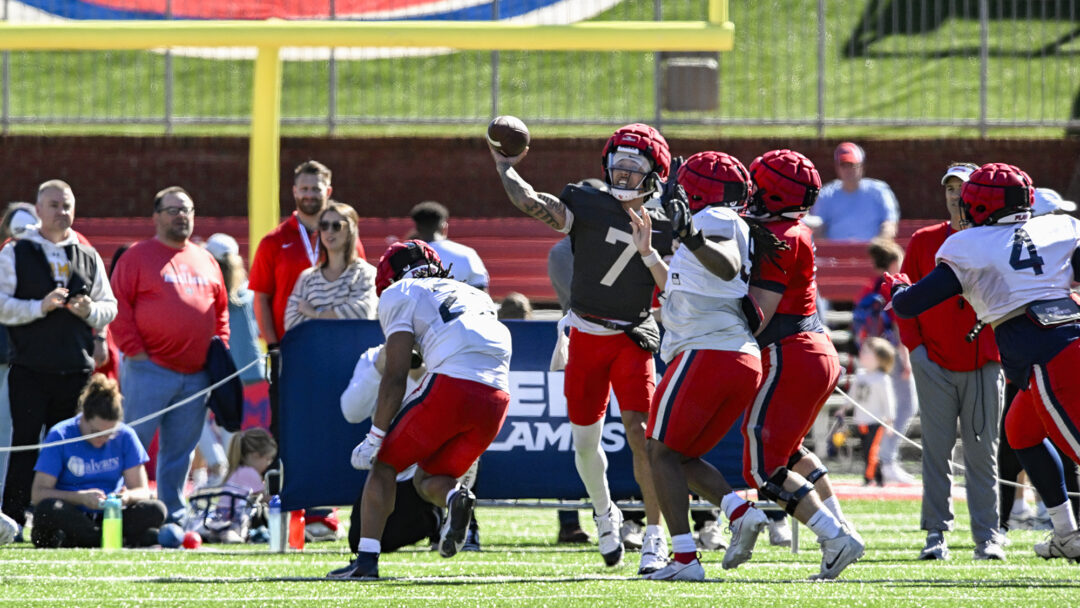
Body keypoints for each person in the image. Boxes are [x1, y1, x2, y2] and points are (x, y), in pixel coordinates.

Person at [490, 123, 672, 572]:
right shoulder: (587, 203)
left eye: (634, 166)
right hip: (586, 337)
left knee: (641, 434)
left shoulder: (670, 222)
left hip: (632, 336)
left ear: (655, 173)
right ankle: (604, 512)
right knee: (585, 443)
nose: (623, 173)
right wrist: (505, 167)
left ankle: (654, 535)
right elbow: (531, 201)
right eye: (618, 164)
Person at [885, 162, 1080, 561]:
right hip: (1063, 340)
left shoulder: (967, 244)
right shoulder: (1058, 227)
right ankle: (1067, 533)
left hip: (1047, 354)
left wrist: (900, 288)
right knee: (1021, 432)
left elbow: (910, 305)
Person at [625, 150, 773, 581]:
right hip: (730, 355)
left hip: (708, 352)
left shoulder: (716, 221)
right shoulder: (711, 225)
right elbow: (688, 286)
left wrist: (690, 236)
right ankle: (738, 510)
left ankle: (685, 559)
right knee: (678, 455)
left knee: (657, 452)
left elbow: (726, 267)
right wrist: (651, 255)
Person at [327, 240, 512, 579]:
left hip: (454, 386)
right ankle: (456, 496)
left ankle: (366, 562)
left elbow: (396, 375)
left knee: (384, 464)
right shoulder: (475, 293)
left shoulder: (401, 292)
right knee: (429, 479)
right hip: (497, 397)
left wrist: (375, 436)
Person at [736, 148, 865, 580]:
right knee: (790, 453)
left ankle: (833, 536)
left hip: (789, 351)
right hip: (812, 348)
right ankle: (842, 529)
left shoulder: (783, 236)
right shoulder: (791, 227)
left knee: (759, 467)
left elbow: (761, 312)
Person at [892, 162, 1006, 560]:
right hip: (933, 361)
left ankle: (988, 536)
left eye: (964, 189)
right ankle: (935, 534)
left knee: (982, 453)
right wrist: (916, 351)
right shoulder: (924, 240)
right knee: (935, 452)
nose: (956, 197)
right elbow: (902, 298)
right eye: (950, 189)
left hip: (984, 361)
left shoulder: (995, 240)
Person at [0, 181, 117, 531]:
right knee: (24, 445)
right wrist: (40, 306)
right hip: (30, 367)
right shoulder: (15, 250)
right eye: (53, 205)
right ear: (38, 209)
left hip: (75, 368)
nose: (61, 212)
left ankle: (61, 522)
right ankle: (14, 519)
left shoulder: (87, 252)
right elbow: (2, 306)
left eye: (67, 205)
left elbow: (109, 306)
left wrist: (90, 312)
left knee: (69, 451)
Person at [109, 186, 230, 521]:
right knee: (131, 444)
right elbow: (119, 305)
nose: (181, 216)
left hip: (196, 374)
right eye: (173, 210)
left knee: (180, 452)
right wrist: (136, 352)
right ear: (156, 216)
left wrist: (219, 349)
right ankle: (115, 511)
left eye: (187, 210)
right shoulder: (136, 256)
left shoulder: (205, 258)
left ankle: (171, 514)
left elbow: (220, 311)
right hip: (149, 369)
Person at [249, 161, 365, 443]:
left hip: (341, 350)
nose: (309, 194)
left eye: (315, 188)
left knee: (341, 421)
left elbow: (361, 297)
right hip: (291, 350)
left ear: (329, 190)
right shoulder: (273, 241)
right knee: (290, 423)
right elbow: (261, 297)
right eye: (304, 189)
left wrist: (317, 313)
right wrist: (273, 345)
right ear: (294, 191)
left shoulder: (346, 237)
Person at [338, 342, 475, 555]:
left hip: (430, 466)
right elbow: (351, 412)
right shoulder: (374, 356)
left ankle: (463, 514)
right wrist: (377, 371)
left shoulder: (443, 356)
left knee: (469, 451)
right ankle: (437, 520)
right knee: (359, 539)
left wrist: (422, 373)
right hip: (393, 470)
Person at [29, 374, 166, 548]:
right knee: (47, 510)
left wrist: (126, 497)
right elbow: (38, 494)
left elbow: (142, 490)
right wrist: (80, 498)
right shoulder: (61, 434)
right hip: (73, 512)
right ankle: (115, 539)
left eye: (110, 434)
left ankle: (93, 538)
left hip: (111, 515)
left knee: (156, 510)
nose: (103, 439)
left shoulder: (126, 435)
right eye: (96, 432)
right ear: (83, 417)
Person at [853, 238, 918, 484]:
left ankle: (881, 460)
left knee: (883, 410)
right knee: (905, 406)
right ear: (893, 262)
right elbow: (899, 323)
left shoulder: (868, 288)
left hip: (871, 354)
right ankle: (887, 459)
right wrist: (906, 357)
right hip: (892, 355)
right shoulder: (890, 286)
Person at [0, 202, 39, 543]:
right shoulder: (7, 260)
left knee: (19, 442)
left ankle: (16, 511)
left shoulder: (46, 260)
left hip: (27, 364)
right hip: (9, 361)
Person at [284, 201, 377, 331]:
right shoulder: (307, 277)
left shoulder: (366, 273)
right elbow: (292, 322)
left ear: (351, 230)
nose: (329, 231)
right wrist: (340, 315)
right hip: (315, 349)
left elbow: (362, 314)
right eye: (324, 225)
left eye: (336, 226)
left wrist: (315, 313)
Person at [192, 428, 276, 544]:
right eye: (267, 459)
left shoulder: (237, 470)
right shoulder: (250, 473)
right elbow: (265, 498)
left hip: (221, 516)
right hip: (233, 518)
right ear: (255, 456)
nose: (268, 464)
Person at [806, 142, 899, 242]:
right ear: (837, 168)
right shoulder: (826, 195)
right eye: (843, 165)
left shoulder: (880, 191)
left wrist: (877, 249)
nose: (848, 170)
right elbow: (818, 230)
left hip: (872, 254)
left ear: (862, 166)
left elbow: (889, 225)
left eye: (852, 165)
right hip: (834, 255)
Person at [410, 201, 490, 291]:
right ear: (444, 227)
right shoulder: (467, 254)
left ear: (417, 228)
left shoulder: (406, 256)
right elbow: (481, 293)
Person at [850, 337, 896, 487]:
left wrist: (889, 421)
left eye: (867, 352)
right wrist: (843, 409)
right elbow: (851, 395)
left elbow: (888, 402)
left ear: (880, 358)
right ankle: (879, 476)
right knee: (867, 452)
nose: (863, 354)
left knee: (871, 451)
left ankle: (868, 478)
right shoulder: (860, 375)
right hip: (860, 420)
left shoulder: (882, 379)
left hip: (876, 421)